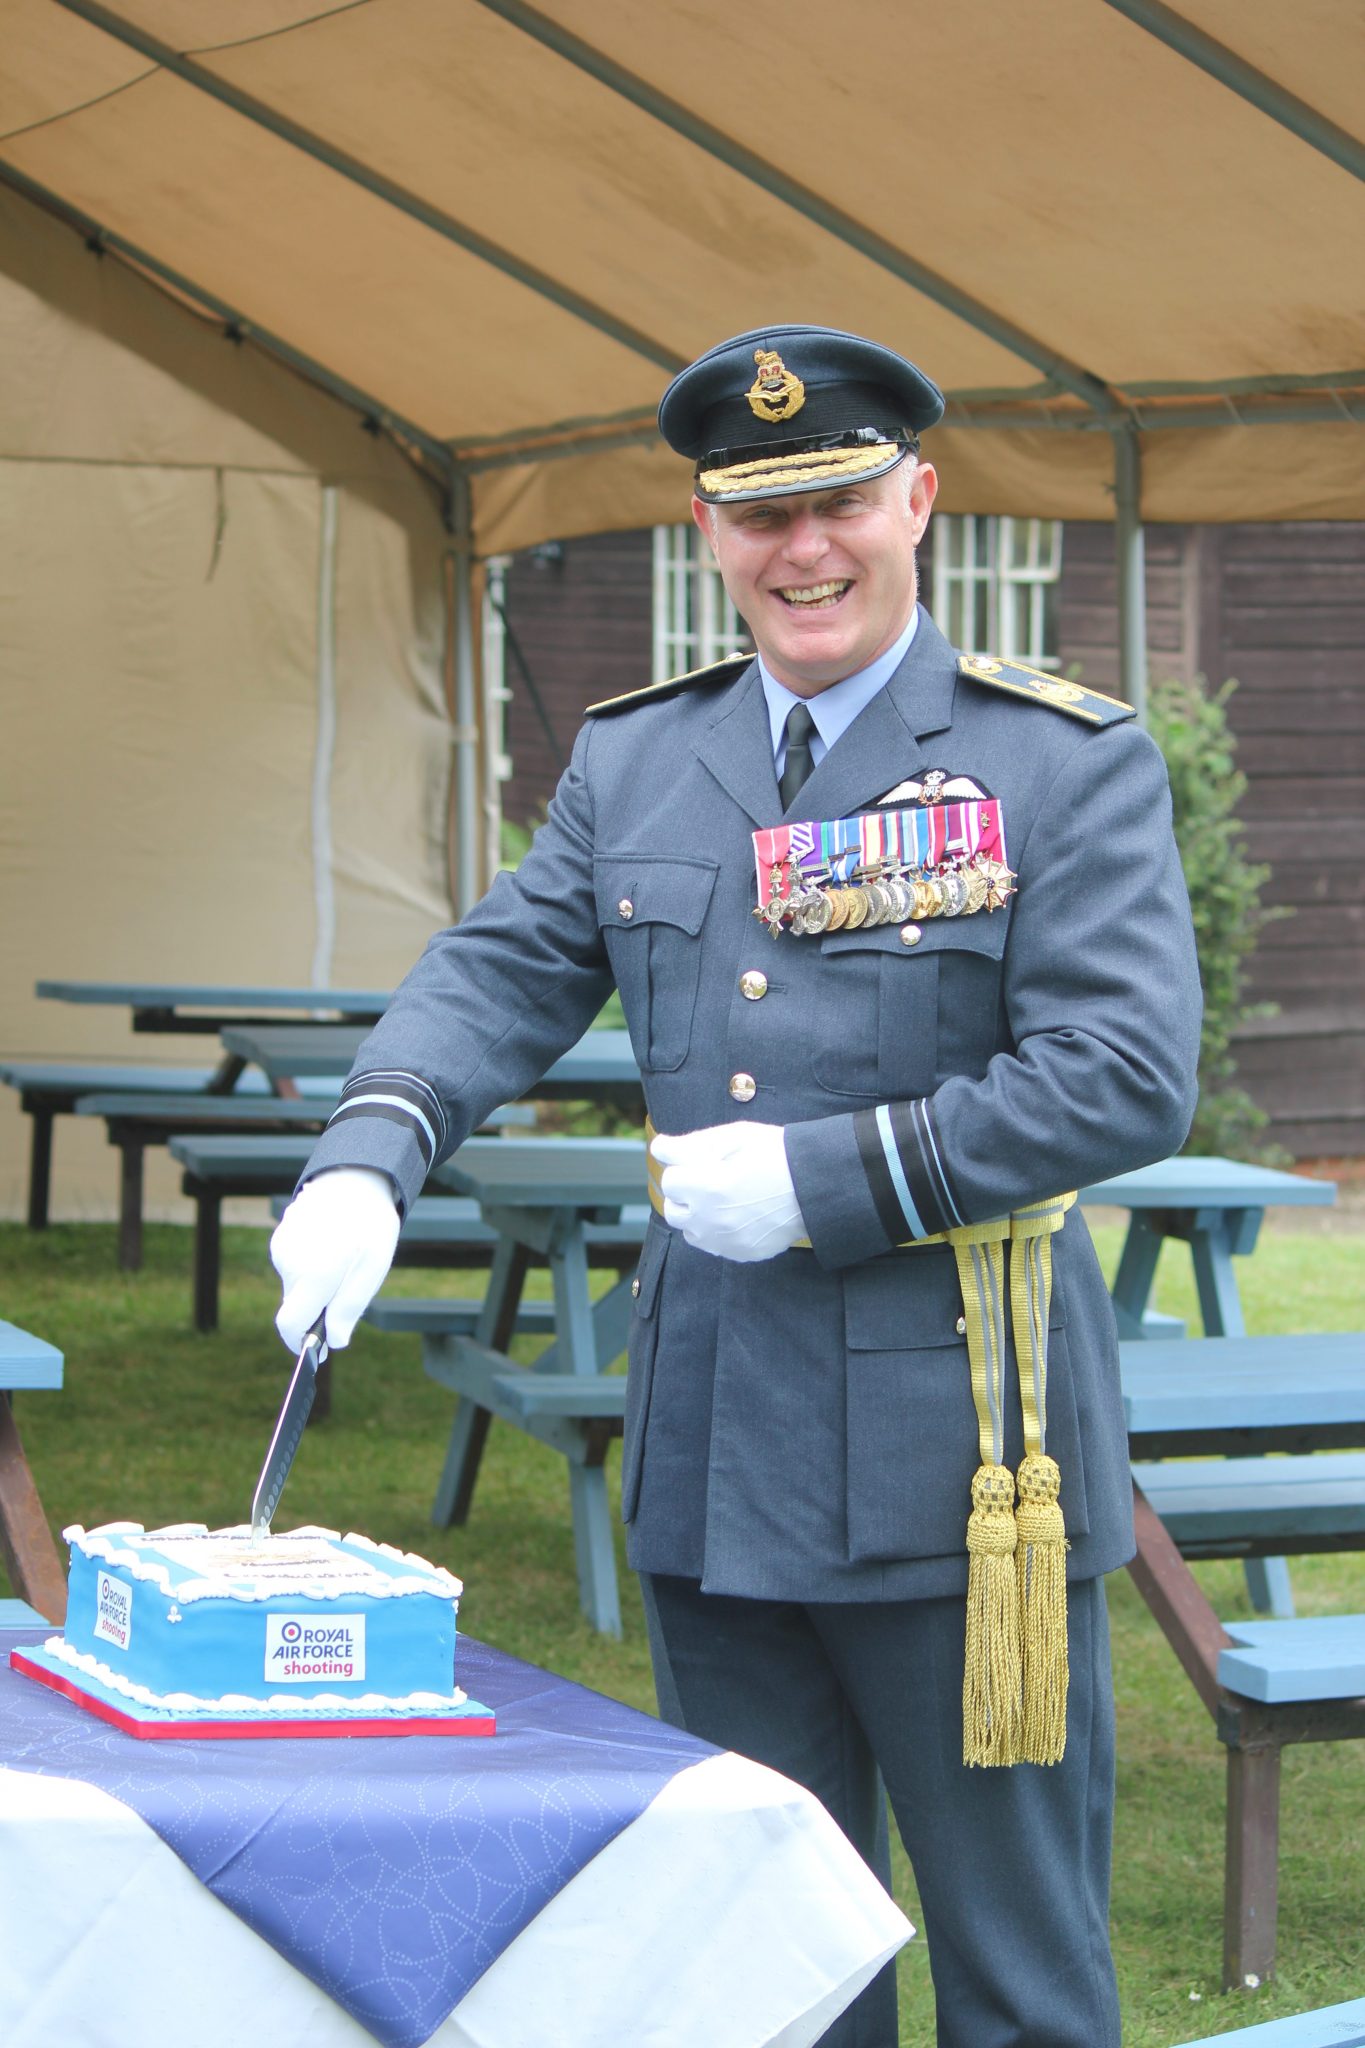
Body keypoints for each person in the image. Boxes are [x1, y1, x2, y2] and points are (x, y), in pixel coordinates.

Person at [271, 324, 1202, 2048]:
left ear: (917, 498)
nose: (806, 551)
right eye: (760, 514)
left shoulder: (1055, 760)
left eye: (841, 500)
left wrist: (832, 1179)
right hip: (717, 1454)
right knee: (770, 1975)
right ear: (707, 530)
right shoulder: (640, 759)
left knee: (1017, 1980)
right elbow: (496, 976)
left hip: (963, 1457)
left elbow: (1127, 1073)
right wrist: (371, 1155)